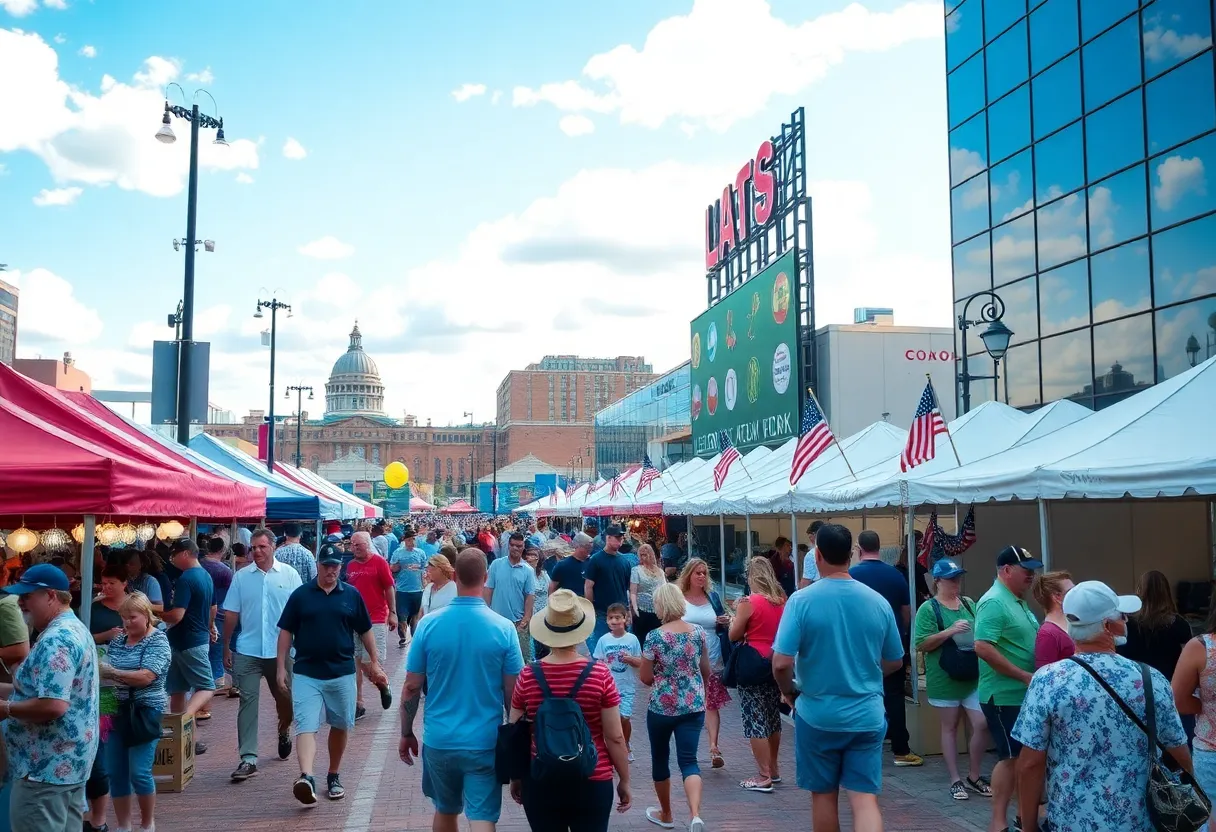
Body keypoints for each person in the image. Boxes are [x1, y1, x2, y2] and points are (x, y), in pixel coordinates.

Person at [1014, 581, 1192, 832]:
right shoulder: (1150, 679)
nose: (1127, 620)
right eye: (1122, 615)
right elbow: (1179, 754)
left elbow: (1030, 764)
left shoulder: (1047, 680)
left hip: (1071, 821)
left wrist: (1028, 826)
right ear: (1108, 626)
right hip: (1139, 821)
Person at [772, 523, 903, 832]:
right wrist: (868, 675)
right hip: (867, 713)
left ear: (816, 555)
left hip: (818, 713)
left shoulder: (801, 601)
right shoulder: (877, 602)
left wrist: (788, 690)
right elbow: (895, 661)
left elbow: (780, 663)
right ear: (852, 555)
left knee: (824, 797)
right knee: (864, 798)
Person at [399, 549, 524, 832]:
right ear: (486, 577)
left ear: (454, 576)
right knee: (482, 817)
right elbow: (513, 694)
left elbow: (411, 687)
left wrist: (406, 732)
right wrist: (514, 745)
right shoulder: (504, 628)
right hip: (485, 740)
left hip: (440, 738)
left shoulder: (428, 625)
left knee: (445, 809)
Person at [510, 590, 632, 830]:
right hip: (593, 776)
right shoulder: (600, 674)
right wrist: (624, 780)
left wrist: (516, 777)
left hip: (541, 777)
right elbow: (615, 737)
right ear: (580, 630)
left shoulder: (527, 675)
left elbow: (516, 733)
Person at [277, 543, 389, 804]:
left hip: (341, 672)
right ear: (317, 565)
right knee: (305, 725)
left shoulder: (351, 595)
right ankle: (306, 776)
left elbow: (365, 629)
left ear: (341, 566)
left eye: (335, 565)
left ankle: (333, 774)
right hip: (307, 671)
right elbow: (285, 631)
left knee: (340, 725)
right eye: (326, 565)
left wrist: (374, 661)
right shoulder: (301, 595)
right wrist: (281, 667)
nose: (330, 570)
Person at [0, 564, 99, 832]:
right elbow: (41, 691)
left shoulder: (58, 638)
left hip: (45, 769)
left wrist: (6, 709)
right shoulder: (71, 629)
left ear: (51, 596)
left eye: (28, 596)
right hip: (63, 765)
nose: (21, 603)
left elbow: (54, 704)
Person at [222, 528, 302, 782]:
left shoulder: (289, 576)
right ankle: (248, 758)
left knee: (287, 699)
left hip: (282, 651)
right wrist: (226, 646)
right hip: (248, 650)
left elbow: (300, 614)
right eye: (253, 547)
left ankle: (283, 728)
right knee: (247, 701)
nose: (256, 551)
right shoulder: (241, 577)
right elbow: (232, 613)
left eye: (262, 547)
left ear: (273, 547)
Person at [973, 545, 1043, 832]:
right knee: (1011, 758)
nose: (1031, 575)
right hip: (1003, 695)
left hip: (1019, 694)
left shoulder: (1016, 599)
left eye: (1032, 570)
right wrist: (1023, 676)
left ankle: (1022, 817)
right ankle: (998, 823)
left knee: (1022, 759)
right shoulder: (994, 602)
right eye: (1025, 569)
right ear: (1006, 570)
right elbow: (982, 647)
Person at [913, 558, 992, 801]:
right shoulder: (928, 609)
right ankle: (955, 779)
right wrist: (949, 631)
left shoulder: (968, 603)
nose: (956, 582)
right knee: (950, 728)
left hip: (971, 674)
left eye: (958, 577)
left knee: (981, 723)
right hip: (944, 677)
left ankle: (974, 775)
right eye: (951, 578)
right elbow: (921, 644)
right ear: (938, 581)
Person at [640, 583, 710, 832]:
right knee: (689, 760)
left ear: (660, 605)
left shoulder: (654, 636)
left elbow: (646, 678)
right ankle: (695, 815)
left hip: (661, 706)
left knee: (660, 759)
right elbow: (706, 670)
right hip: (692, 705)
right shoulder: (698, 632)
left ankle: (667, 814)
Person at [849, 530, 922, 767]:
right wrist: (900, 634)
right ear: (879, 547)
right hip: (890, 645)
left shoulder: (851, 575)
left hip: (859, 648)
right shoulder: (895, 575)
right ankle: (900, 748)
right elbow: (906, 612)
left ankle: (861, 743)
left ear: (859, 549)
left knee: (860, 693)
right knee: (894, 695)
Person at [100, 592, 171, 832]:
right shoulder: (119, 641)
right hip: (114, 709)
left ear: (147, 616)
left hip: (144, 710)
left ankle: (147, 822)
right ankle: (123, 826)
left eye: (132, 617)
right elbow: (105, 678)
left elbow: (147, 677)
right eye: (123, 618)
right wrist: (104, 713)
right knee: (115, 771)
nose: (127, 623)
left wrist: (114, 673)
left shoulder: (158, 641)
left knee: (139, 771)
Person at [160, 538, 217, 754]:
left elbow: (176, 615)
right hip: (192, 639)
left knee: (207, 686)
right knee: (177, 690)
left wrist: (152, 611)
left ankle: (186, 716)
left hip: (187, 641)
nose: (172, 559)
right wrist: (210, 626)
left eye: (174, 554)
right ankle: (188, 740)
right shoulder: (205, 575)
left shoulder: (186, 578)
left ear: (185, 553)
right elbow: (213, 607)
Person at [675, 558, 732, 769]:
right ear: (688, 574)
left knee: (710, 701)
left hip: (712, 655)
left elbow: (722, 619)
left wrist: (724, 621)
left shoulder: (713, 597)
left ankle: (714, 748)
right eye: (697, 573)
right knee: (689, 702)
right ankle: (688, 747)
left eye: (704, 573)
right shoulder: (679, 598)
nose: (701, 576)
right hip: (685, 656)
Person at [86, 564, 129, 832]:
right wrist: (105, 636)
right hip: (101, 683)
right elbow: (84, 638)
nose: (106, 587)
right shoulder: (94, 609)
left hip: (128, 681)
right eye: (103, 582)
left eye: (112, 582)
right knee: (105, 729)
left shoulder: (135, 605)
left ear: (124, 583)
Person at [345, 531, 397, 720]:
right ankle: (358, 703)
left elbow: (389, 587)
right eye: (352, 544)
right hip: (353, 620)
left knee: (370, 663)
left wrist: (392, 612)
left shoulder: (379, 562)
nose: (354, 548)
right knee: (355, 664)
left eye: (358, 544)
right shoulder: (350, 565)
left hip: (375, 618)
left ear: (368, 544)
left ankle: (382, 683)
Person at [1121, 570, 1195, 681]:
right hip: (1169, 684)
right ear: (1167, 592)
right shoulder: (1180, 624)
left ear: (1139, 590)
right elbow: (1189, 661)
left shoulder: (1125, 623)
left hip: (1134, 684)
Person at [594, 602, 642, 761]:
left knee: (625, 717)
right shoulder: (603, 640)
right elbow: (598, 661)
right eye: (610, 618)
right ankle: (611, 746)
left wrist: (630, 659)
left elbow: (640, 662)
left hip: (627, 685)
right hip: (609, 686)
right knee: (608, 719)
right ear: (606, 620)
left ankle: (626, 744)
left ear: (625, 619)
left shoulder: (632, 639)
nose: (614, 621)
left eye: (617, 618)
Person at [484, 533, 535, 663]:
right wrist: (485, 613)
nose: (515, 548)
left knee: (522, 660)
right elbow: (488, 590)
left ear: (523, 547)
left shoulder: (528, 570)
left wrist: (526, 618)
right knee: (495, 659)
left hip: (518, 623)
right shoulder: (496, 564)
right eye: (512, 545)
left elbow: (529, 596)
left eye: (518, 546)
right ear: (508, 546)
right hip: (496, 622)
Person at [200, 538, 235, 706]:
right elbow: (232, 594)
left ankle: (209, 679)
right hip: (220, 611)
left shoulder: (200, 565)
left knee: (206, 647)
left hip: (201, 611)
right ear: (222, 549)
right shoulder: (225, 571)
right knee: (217, 646)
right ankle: (216, 678)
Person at [584, 526, 632, 650]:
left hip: (621, 612)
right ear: (608, 538)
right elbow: (588, 586)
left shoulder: (625, 561)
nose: (620, 541)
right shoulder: (596, 560)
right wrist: (590, 608)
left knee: (623, 648)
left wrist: (629, 610)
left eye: (621, 538)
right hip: (602, 612)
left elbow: (627, 589)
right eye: (617, 538)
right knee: (603, 647)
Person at [389, 528, 427, 646]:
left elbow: (424, 569)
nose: (412, 542)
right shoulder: (398, 553)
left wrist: (424, 584)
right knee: (402, 615)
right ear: (405, 540)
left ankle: (414, 638)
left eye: (414, 539)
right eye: (409, 539)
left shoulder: (421, 553)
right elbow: (392, 568)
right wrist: (396, 567)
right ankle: (403, 637)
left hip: (418, 589)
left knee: (415, 615)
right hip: (402, 590)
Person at [1031, 570, 1075, 668]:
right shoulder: (1047, 634)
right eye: (1071, 592)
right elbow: (1044, 673)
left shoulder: (1074, 621)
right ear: (1057, 597)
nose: (1076, 595)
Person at [629, 543, 666, 649]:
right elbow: (633, 592)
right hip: (642, 611)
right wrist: (635, 608)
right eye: (641, 555)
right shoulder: (636, 570)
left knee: (658, 641)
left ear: (651, 554)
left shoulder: (660, 571)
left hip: (658, 611)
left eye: (646, 554)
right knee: (642, 641)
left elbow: (665, 590)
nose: (643, 557)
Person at [525, 546, 551, 660]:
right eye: (528, 555)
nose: (530, 558)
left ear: (539, 559)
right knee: (533, 647)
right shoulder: (524, 574)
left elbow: (550, 592)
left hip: (545, 615)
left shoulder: (544, 575)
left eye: (534, 555)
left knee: (545, 646)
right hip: (531, 614)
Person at [550, 532, 593, 596]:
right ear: (577, 546)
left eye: (591, 547)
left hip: (587, 603)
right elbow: (552, 587)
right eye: (586, 547)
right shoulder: (562, 566)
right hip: (568, 603)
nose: (589, 550)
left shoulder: (593, 563)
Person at [797, 520, 826, 589]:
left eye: (810, 537)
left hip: (817, 589)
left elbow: (806, 581)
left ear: (815, 534)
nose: (810, 540)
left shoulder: (812, 554)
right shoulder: (835, 550)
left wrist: (799, 589)